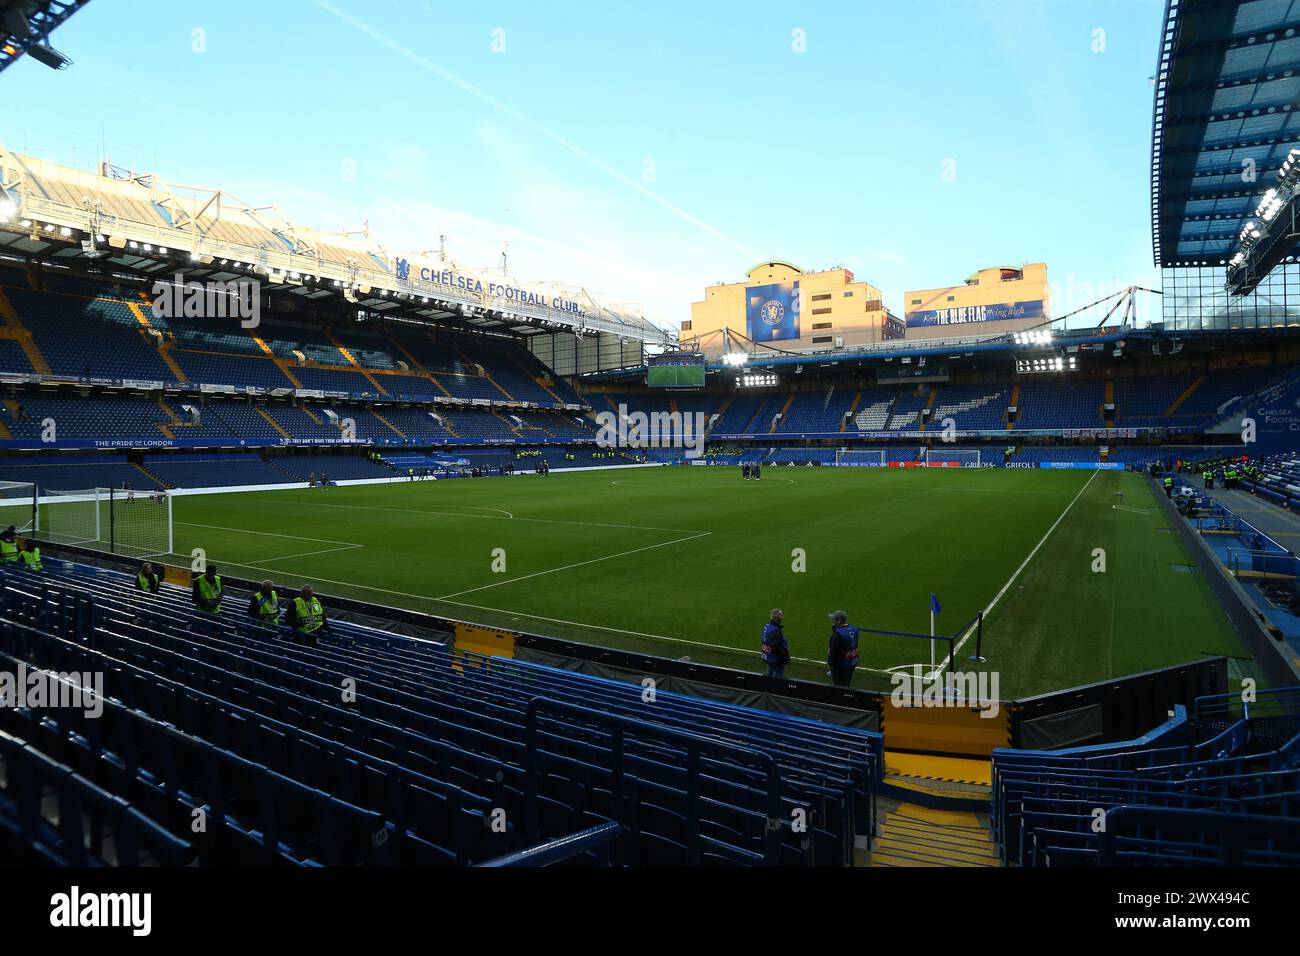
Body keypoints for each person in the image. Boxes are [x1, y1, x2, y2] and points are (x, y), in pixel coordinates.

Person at [826, 610, 860, 688]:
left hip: (840, 666)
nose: (832, 621)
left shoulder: (838, 635)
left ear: (839, 621)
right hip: (852, 662)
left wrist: (832, 666)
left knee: (839, 687)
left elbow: (834, 652)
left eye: (834, 619)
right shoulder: (853, 629)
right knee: (847, 684)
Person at [760, 608, 790, 678]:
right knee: (778, 674)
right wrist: (784, 656)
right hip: (775, 658)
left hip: (768, 655)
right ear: (777, 619)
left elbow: (764, 640)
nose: (782, 618)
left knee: (770, 671)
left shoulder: (767, 626)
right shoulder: (775, 630)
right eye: (780, 617)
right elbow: (776, 647)